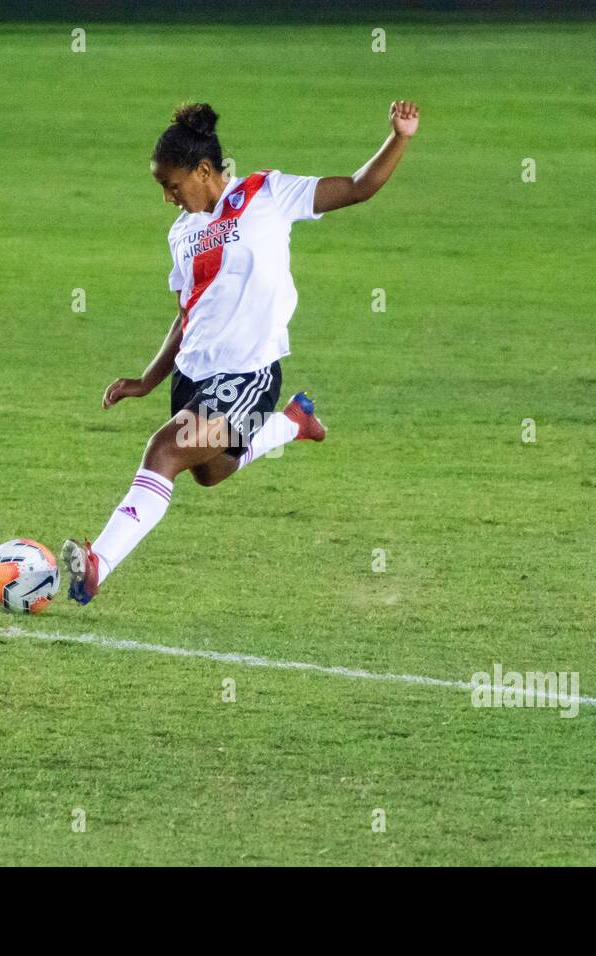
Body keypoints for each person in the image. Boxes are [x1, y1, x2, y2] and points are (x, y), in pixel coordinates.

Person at [61, 100, 420, 604]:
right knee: (209, 471)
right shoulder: (182, 234)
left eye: (171, 184)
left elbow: (359, 187)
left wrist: (399, 137)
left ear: (204, 170)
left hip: (247, 375)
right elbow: (188, 315)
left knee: (164, 451)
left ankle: (98, 562)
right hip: (193, 376)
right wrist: (147, 380)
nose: (167, 197)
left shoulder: (266, 193)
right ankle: (294, 421)